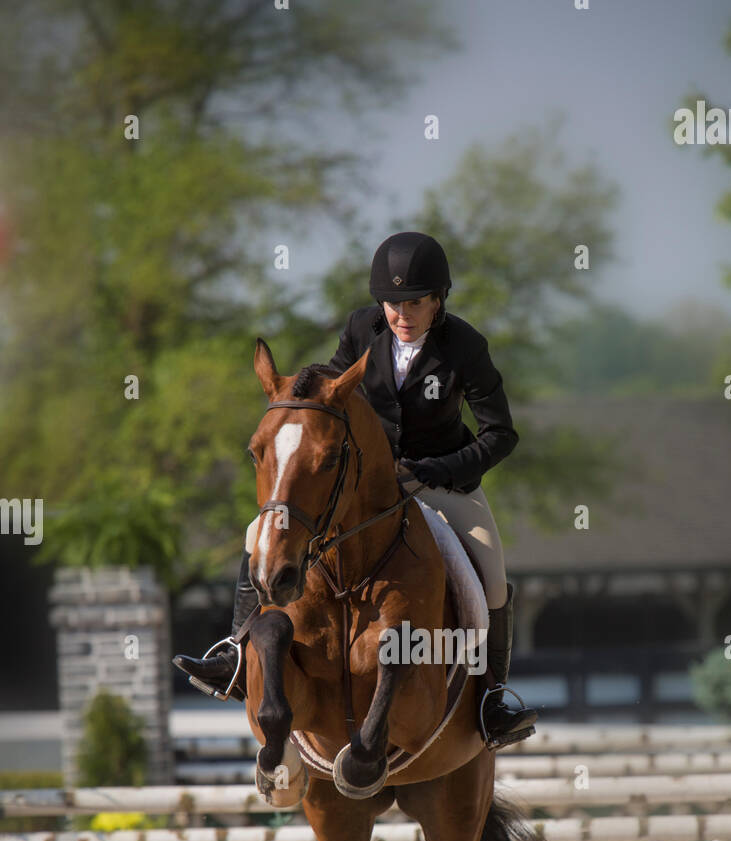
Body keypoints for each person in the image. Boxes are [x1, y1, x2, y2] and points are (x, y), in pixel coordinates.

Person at [174, 230, 537, 747]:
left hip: (441, 483)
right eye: (392, 303)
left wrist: (438, 470)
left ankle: (491, 699)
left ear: (439, 300)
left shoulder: (465, 347)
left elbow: (501, 435)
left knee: (492, 575)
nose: (401, 314)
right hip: (363, 482)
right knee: (265, 529)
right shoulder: (360, 329)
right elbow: (331, 393)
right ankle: (234, 653)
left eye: (415, 302)